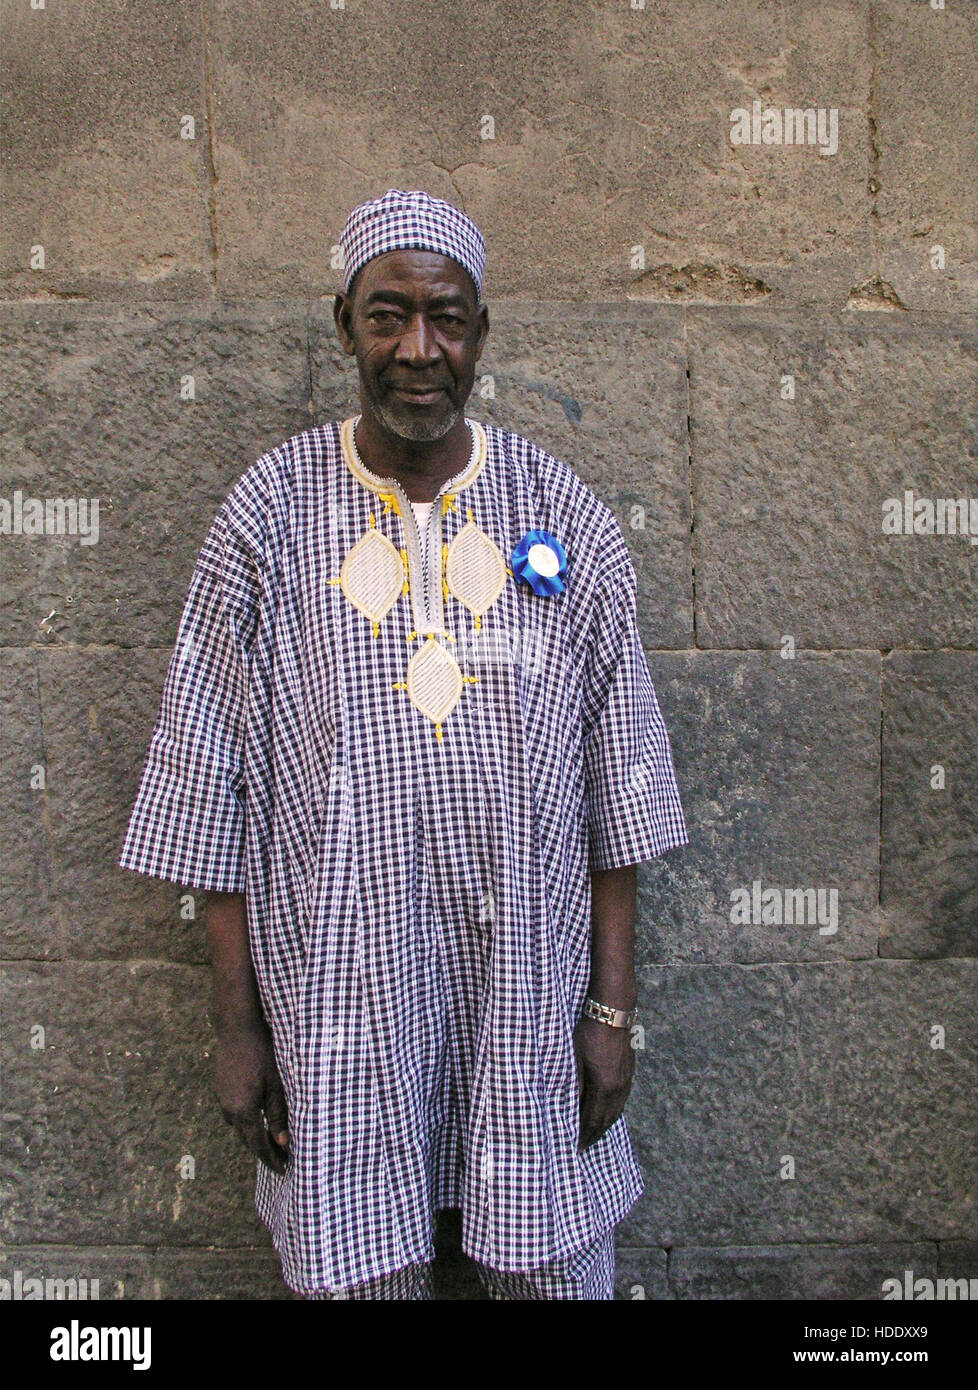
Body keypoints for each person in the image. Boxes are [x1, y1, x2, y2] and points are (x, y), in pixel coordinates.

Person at [119, 188, 688, 1300]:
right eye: (388, 315)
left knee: (548, 1265)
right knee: (360, 1269)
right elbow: (208, 788)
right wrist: (237, 1031)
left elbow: (619, 787)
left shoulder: (560, 516)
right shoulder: (268, 517)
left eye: (446, 317)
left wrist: (611, 1012)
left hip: (527, 994)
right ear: (345, 327)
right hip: (335, 1003)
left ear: (481, 333)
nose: (416, 348)